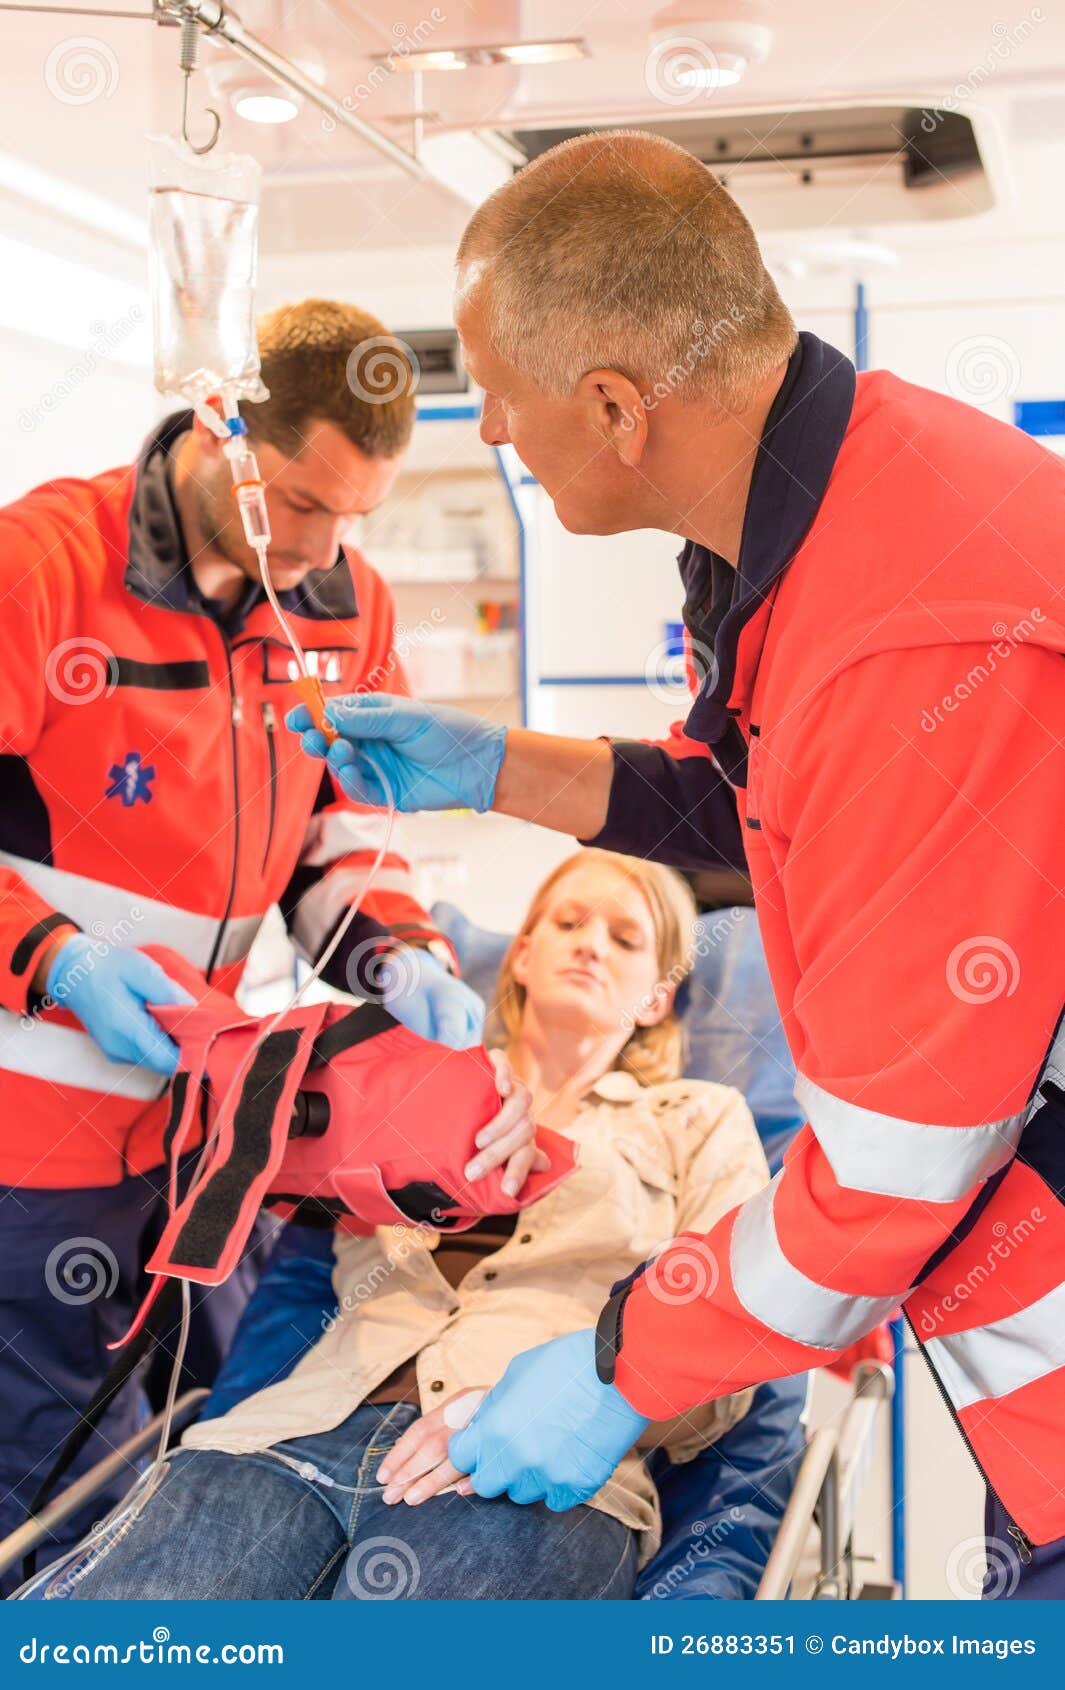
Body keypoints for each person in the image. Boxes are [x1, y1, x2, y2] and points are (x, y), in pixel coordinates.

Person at [290, 132, 1065, 1595]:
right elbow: (764, 803)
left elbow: (896, 1168)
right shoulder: (832, 505)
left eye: (500, 401)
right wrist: (500, 765)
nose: (496, 438)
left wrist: (621, 1371)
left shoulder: (904, 635)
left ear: (612, 406)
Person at [0, 298, 538, 1588]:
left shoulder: (347, 605)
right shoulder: (43, 568)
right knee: (54, 1471)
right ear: (220, 428)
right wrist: (56, 960)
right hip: (32, 1135)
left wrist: (395, 950)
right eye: (301, 502)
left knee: (179, 1440)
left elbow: (339, 832)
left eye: (358, 514)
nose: (323, 546)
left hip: (199, 1124)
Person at [32, 850, 770, 1601]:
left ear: (656, 997)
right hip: (284, 1437)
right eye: (568, 922)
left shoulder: (698, 1120)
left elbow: (726, 1342)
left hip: (522, 1473)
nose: (588, 944)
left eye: (623, 939)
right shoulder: (409, 1075)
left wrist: (581, 1403)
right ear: (520, 957)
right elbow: (272, 1166)